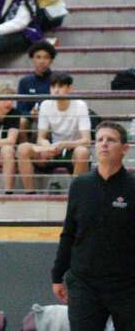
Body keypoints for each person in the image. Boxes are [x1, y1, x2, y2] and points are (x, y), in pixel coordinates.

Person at [50, 121, 135, 330]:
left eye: (111, 140)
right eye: (100, 140)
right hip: (84, 284)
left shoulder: (132, 186)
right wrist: (57, 275)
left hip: (127, 285)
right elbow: (69, 233)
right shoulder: (80, 185)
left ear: (124, 148)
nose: (104, 144)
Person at [18, 73, 92, 190]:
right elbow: (41, 138)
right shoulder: (45, 104)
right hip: (52, 150)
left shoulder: (80, 105)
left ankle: (76, 194)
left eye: (60, 86)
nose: (56, 90)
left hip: (72, 150)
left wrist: (64, 144)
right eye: (53, 87)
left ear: (69, 88)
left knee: (82, 152)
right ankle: (30, 194)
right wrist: (46, 146)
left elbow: (86, 141)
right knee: (23, 148)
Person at [17, 41, 57, 120]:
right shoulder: (24, 82)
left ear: (51, 60)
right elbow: (20, 109)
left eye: (46, 57)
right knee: (22, 121)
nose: (42, 61)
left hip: (53, 118)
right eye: (38, 57)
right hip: (31, 118)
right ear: (32, 59)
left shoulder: (57, 80)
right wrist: (30, 114)